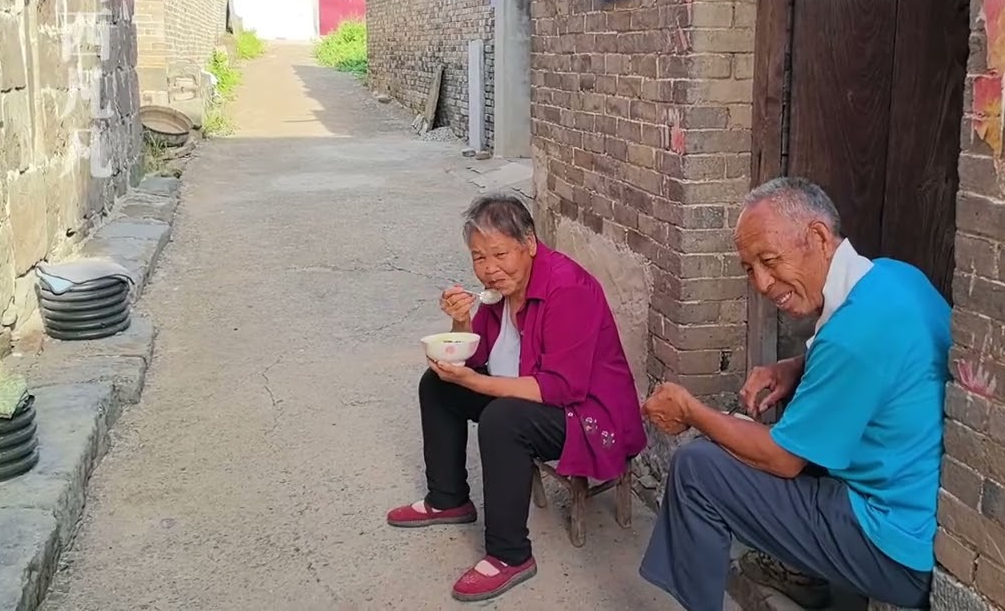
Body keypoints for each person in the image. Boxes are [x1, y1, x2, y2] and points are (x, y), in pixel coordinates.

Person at [638, 176, 950, 610]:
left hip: (891, 546)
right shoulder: (897, 278)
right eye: (750, 268)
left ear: (818, 236)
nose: (762, 283)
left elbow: (783, 461)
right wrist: (796, 367)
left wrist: (692, 411)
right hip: (917, 510)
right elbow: (879, 364)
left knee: (698, 469)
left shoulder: (851, 337)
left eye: (769, 260)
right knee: (778, 434)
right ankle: (810, 579)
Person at [387, 192, 647, 603]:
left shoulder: (568, 288)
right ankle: (448, 498)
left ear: (529, 245)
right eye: (478, 257)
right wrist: (459, 319)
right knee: (436, 384)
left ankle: (510, 555)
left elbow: (561, 388)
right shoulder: (501, 292)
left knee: (502, 420)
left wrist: (476, 384)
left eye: (499, 254)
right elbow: (482, 355)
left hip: (586, 415)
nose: (489, 270)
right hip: (528, 394)